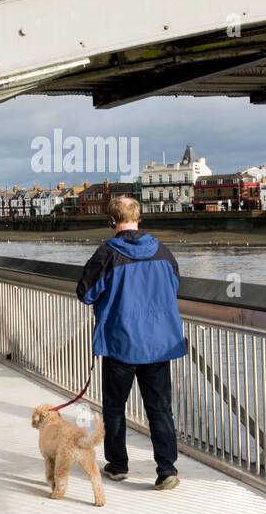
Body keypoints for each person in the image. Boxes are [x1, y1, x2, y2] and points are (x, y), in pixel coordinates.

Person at [76, 195, 186, 490]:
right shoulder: (162, 251)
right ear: (139, 218)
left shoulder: (107, 254)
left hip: (120, 342)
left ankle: (118, 465)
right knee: (160, 408)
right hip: (158, 344)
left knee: (114, 407)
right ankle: (166, 469)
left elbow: (85, 293)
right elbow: (175, 284)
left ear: (112, 221)